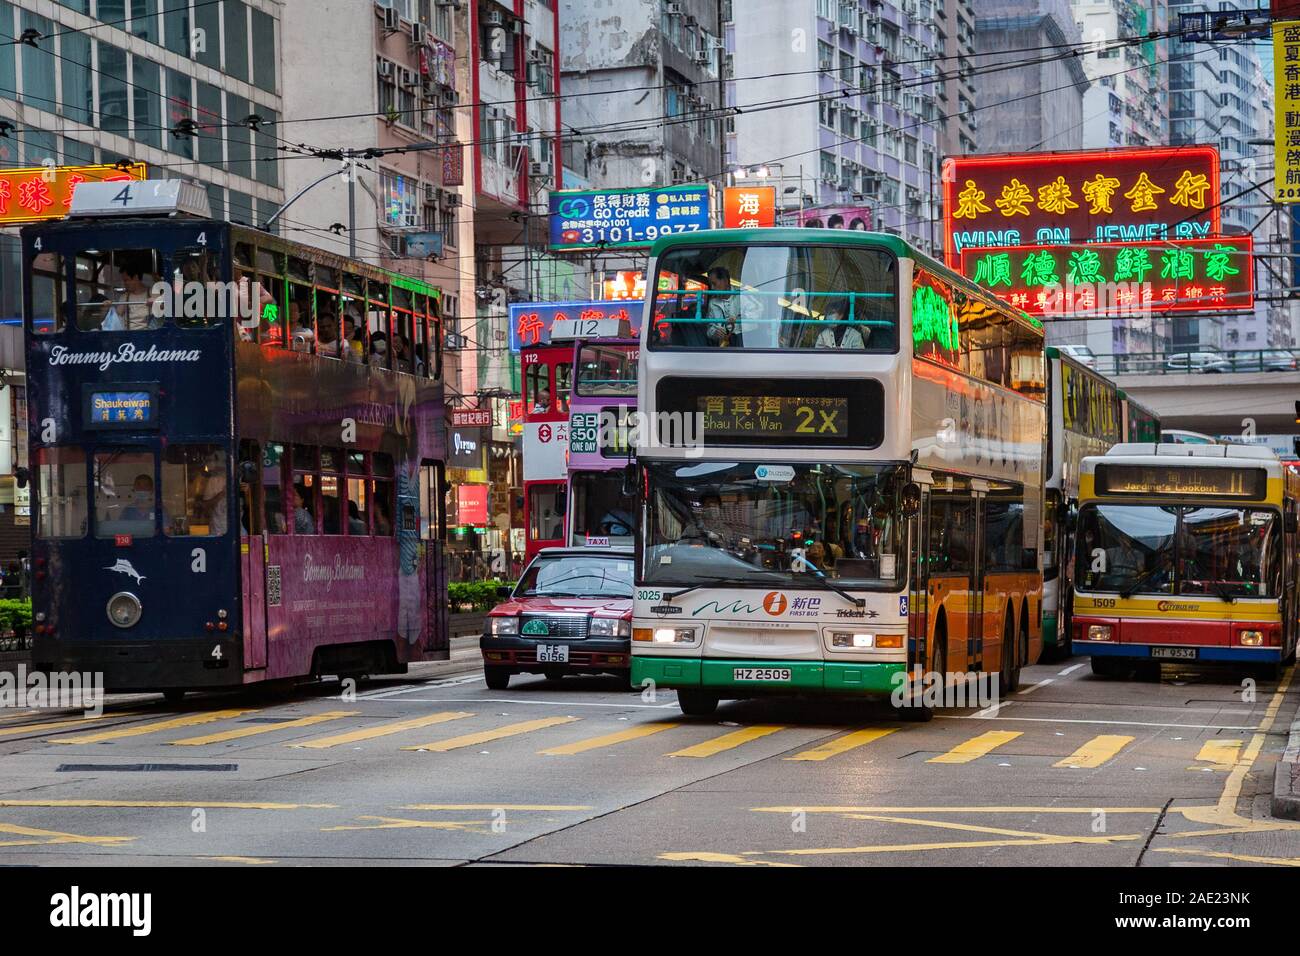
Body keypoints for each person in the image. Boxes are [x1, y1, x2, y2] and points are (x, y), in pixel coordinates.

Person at [705, 266, 740, 346]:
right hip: (724, 343)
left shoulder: (742, 295)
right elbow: (709, 328)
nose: (712, 288)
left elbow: (756, 315)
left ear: (725, 281)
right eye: (711, 285)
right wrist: (714, 332)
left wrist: (738, 319)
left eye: (714, 284)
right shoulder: (712, 303)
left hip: (743, 339)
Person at [117, 262, 158, 331]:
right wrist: (106, 309)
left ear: (136, 277)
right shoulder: (124, 297)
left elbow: (167, 309)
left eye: (126, 280)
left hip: (150, 335)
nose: (124, 283)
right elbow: (116, 317)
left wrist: (157, 303)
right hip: (130, 336)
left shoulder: (153, 293)